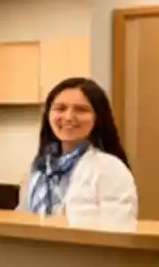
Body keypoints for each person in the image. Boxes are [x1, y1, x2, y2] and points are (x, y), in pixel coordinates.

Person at [26, 77, 138, 226]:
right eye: (60, 108)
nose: (68, 117)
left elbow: (121, 231)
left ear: (98, 117)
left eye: (81, 110)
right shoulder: (39, 169)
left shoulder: (110, 168)